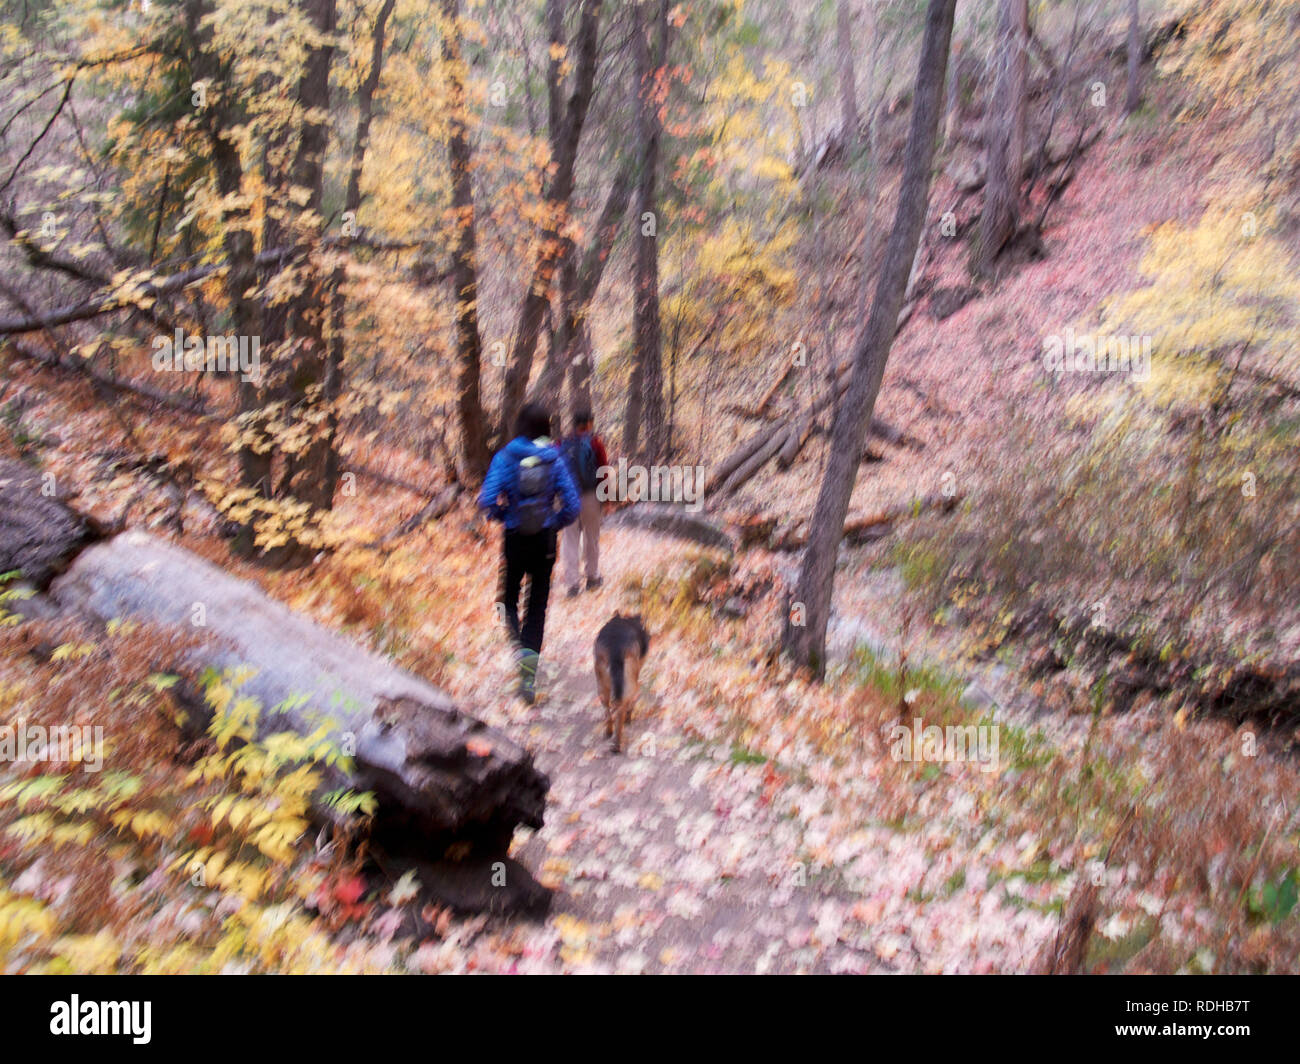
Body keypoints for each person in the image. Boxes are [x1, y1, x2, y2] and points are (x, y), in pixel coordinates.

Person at [477, 402, 580, 704]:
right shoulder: (554, 459)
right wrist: (554, 523)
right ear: (545, 430)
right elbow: (572, 506)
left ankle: (519, 650)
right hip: (545, 542)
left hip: (515, 538)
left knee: (506, 600)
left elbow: (487, 498)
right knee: (536, 609)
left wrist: (502, 515)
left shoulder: (505, 456)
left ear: (519, 427)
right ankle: (528, 677)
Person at [560, 409, 609, 598]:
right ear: (589, 423)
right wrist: (605, 498)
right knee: (592, 537)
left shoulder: (562, 443)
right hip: (590, 497)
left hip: (568, 498)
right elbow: (603, 471)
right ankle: (592, 578)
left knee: (570, 540)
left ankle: (572, 584)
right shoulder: (596, 443)